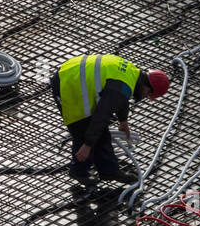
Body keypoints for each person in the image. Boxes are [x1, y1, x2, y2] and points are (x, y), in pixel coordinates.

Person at [50, 54, 170, 184]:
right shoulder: (121, 87)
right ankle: (78, 171)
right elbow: (101, 116)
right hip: (68, 83)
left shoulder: (132, 73)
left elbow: (122, 97)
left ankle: (109, 171)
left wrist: (123, 120)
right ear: (147, 87)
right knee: (83, 128)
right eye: (148, 94)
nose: (145, 97)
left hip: (72, 72)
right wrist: (88, 144)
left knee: (99, 132)